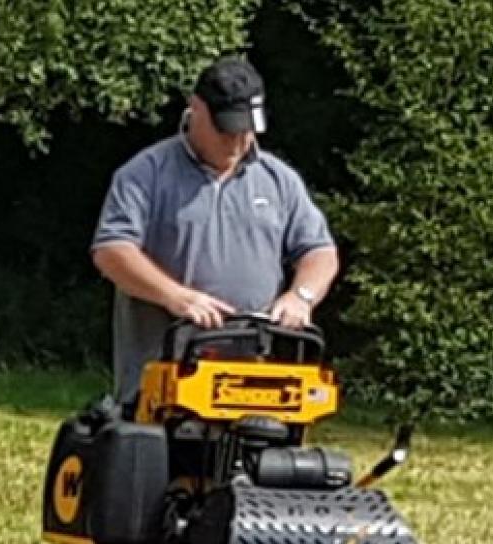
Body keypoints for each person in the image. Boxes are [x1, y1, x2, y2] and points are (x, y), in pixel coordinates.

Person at [90, 56, 339, 407]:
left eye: (247, 129)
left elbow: (319, 251)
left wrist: (302, 297)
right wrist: (176, 297)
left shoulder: (278, 180)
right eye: (227, 129)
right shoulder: (146, 173)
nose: (237, 141)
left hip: (257, 382)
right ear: (196, 110)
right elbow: (112, 251)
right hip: (165, 381)